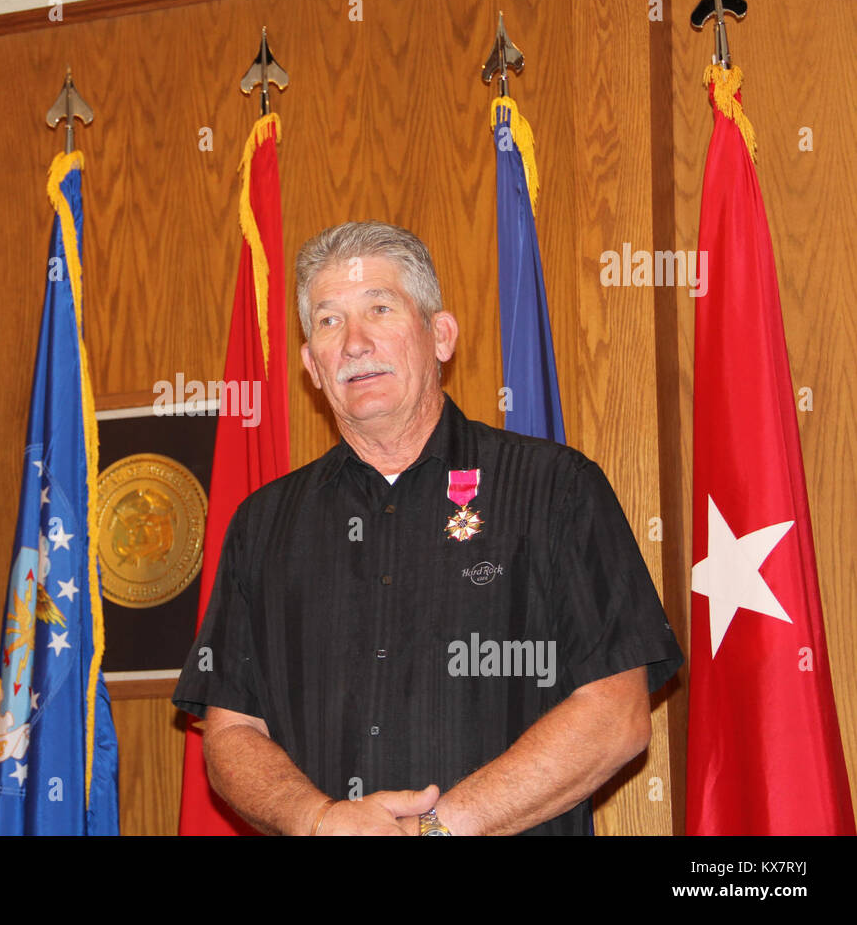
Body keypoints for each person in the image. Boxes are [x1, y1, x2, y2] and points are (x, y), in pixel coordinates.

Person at [172, 221, 684, 835]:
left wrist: (437, 829)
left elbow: (615, 714)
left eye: (380, 308)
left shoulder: (557, 488)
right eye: (329, 321)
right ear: (311, 364)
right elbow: (231, 731)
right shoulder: (264, 524)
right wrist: (319, 822)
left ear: (439, 335)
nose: (354, 343)